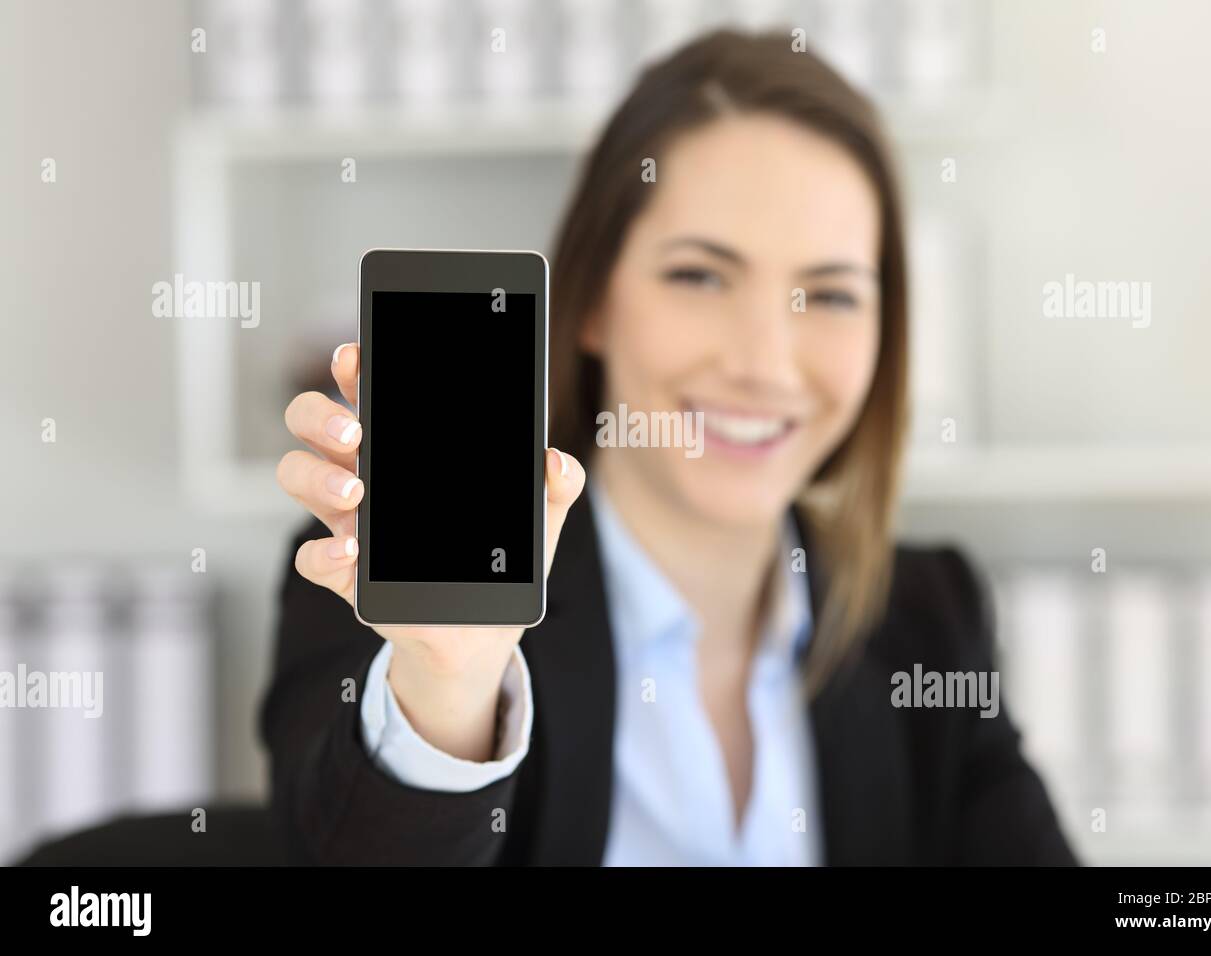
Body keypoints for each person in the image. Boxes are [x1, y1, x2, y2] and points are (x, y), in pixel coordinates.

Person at [260, 28, 1077, 866]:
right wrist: (450, 680)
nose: (763, 363)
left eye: (829, 294)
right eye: (699, 276)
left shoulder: (927, 618)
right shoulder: (391, 577)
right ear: (593, 301)